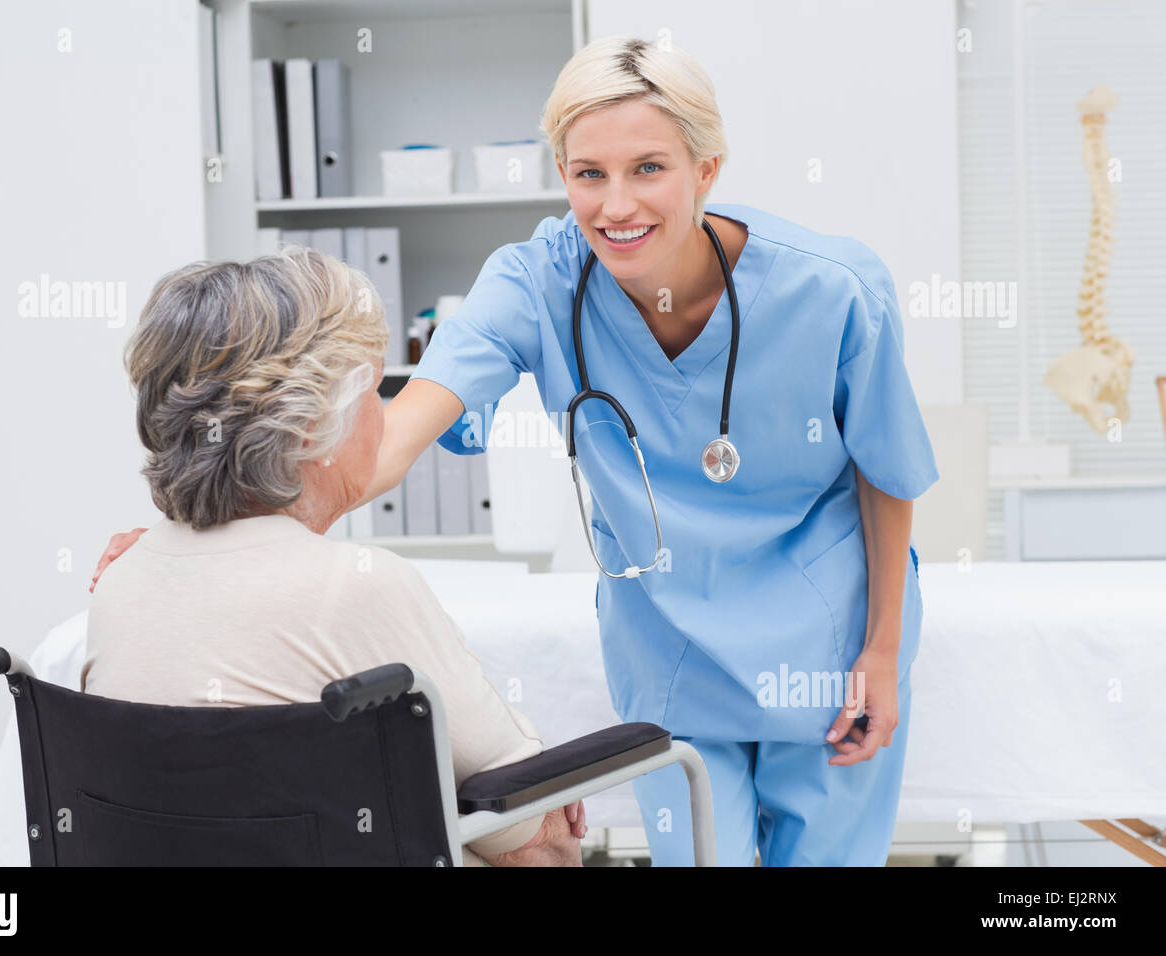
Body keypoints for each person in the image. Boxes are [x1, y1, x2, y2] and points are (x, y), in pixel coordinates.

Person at [352, 36, 939, 865]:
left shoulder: (830, 288)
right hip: (670, 655)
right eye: (588, 173)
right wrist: (210, 522)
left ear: (707, 169)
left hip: (826, 647)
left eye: (649, 168)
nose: (615, 206)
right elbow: (391, 442)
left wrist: (882, 650)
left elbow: (888, 470)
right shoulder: (535, 284)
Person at [85, 247, 585, 867]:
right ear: (307, 432)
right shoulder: (359, 588)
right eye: (376, 390)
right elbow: (532, 829)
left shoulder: (120, 580)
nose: (385, 416)